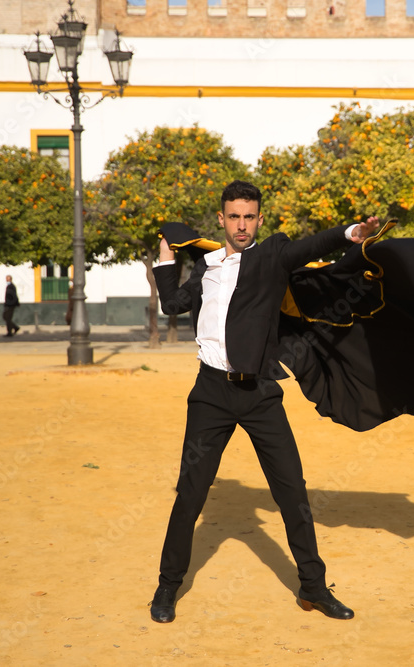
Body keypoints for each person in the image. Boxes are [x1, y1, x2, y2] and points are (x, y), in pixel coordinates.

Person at [149, 180, 379, 624]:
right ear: (221, 219)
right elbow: (173, 305)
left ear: (259, 218)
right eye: (234, 216)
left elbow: (312, 244)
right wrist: (166, 257)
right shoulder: (208, 266)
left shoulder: (271, 256)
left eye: (249, 216)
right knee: (191, 495)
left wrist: (351, 233)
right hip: (210, 395)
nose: (241, 224)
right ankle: (167, 586)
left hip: (259, 395)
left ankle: (313, 588)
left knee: (293, 493)